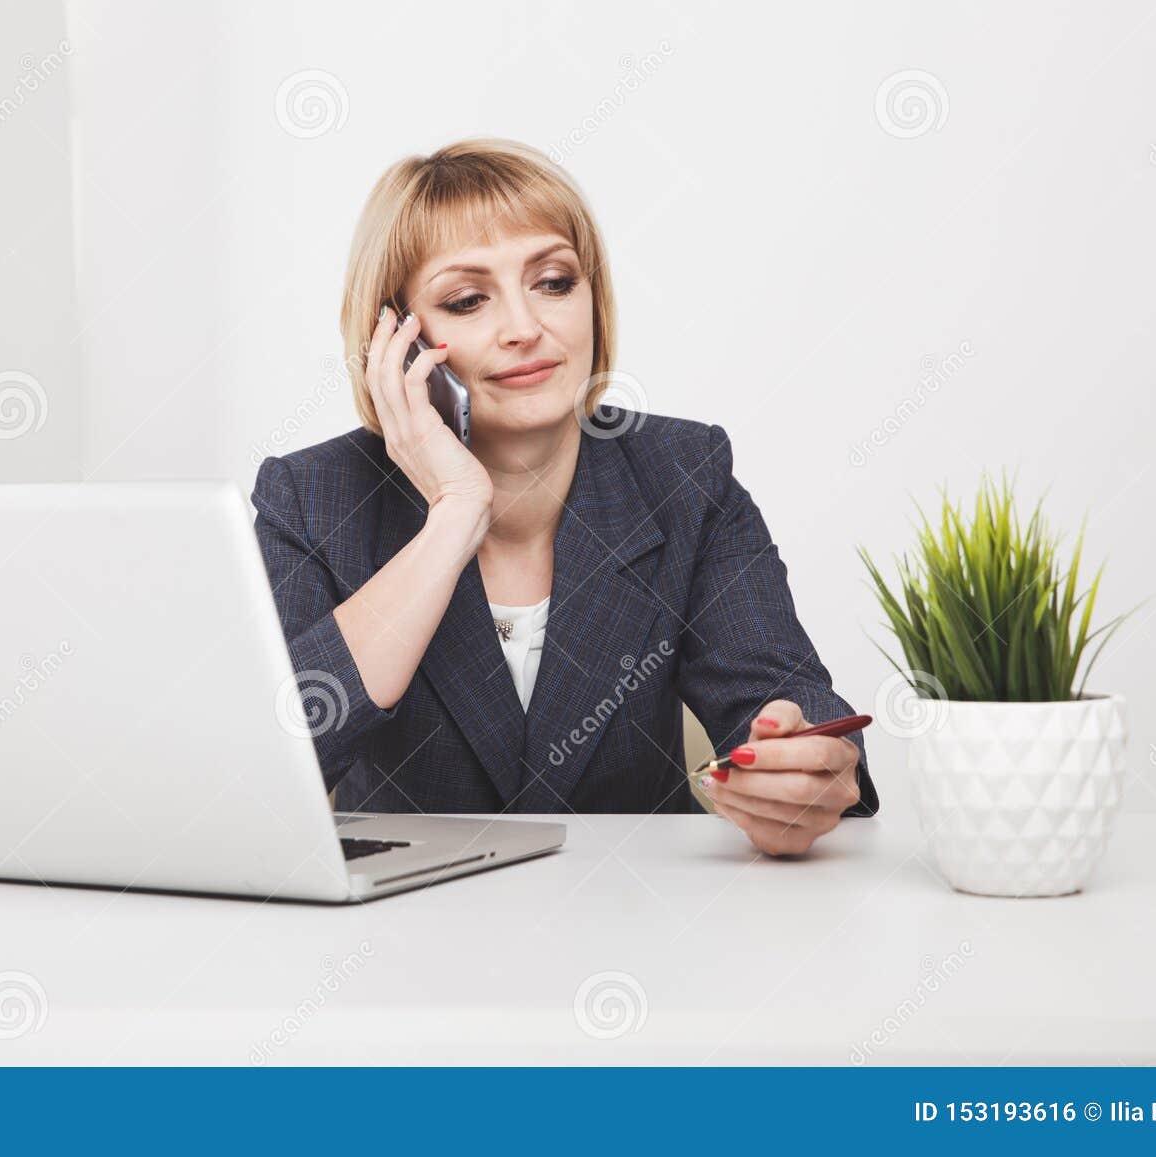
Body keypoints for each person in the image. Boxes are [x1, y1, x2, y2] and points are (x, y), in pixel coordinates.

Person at [252, 138, 877, 856]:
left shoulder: (685, 475)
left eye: (553, 282)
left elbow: (787, 702)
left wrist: (801, 766)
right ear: (395, 340)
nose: (525, 328)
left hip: (633, 931)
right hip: (403, 940)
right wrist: (454, 514)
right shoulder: (312, 498)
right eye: (468, 299)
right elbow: (268, 771)